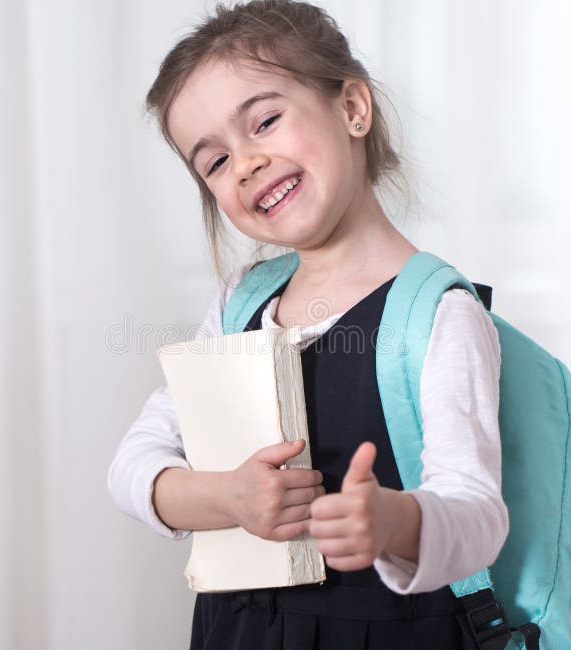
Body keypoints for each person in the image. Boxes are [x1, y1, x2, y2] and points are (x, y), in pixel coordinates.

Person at [108, 1, 508, 648]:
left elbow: (479, 516)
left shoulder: (437, 312)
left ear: (352, 108)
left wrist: (393, 519)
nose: (245, 163)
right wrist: (228, 498)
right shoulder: (238, 304)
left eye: (264, 122)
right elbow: (132, 466)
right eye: (214, 162)